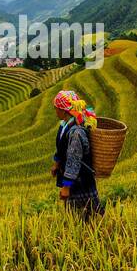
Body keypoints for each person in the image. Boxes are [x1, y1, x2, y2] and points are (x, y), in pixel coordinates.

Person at [50, 90, 104, 218]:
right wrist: (57, 164)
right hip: (73, 179)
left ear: (64, 111)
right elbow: (61, 147)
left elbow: (73, 159)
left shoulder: (76, 133)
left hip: (81, 180)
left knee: (92, 214)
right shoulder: (64, 125)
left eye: (56, 108)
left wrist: (66, 186)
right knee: (75, 217)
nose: (55, 111)